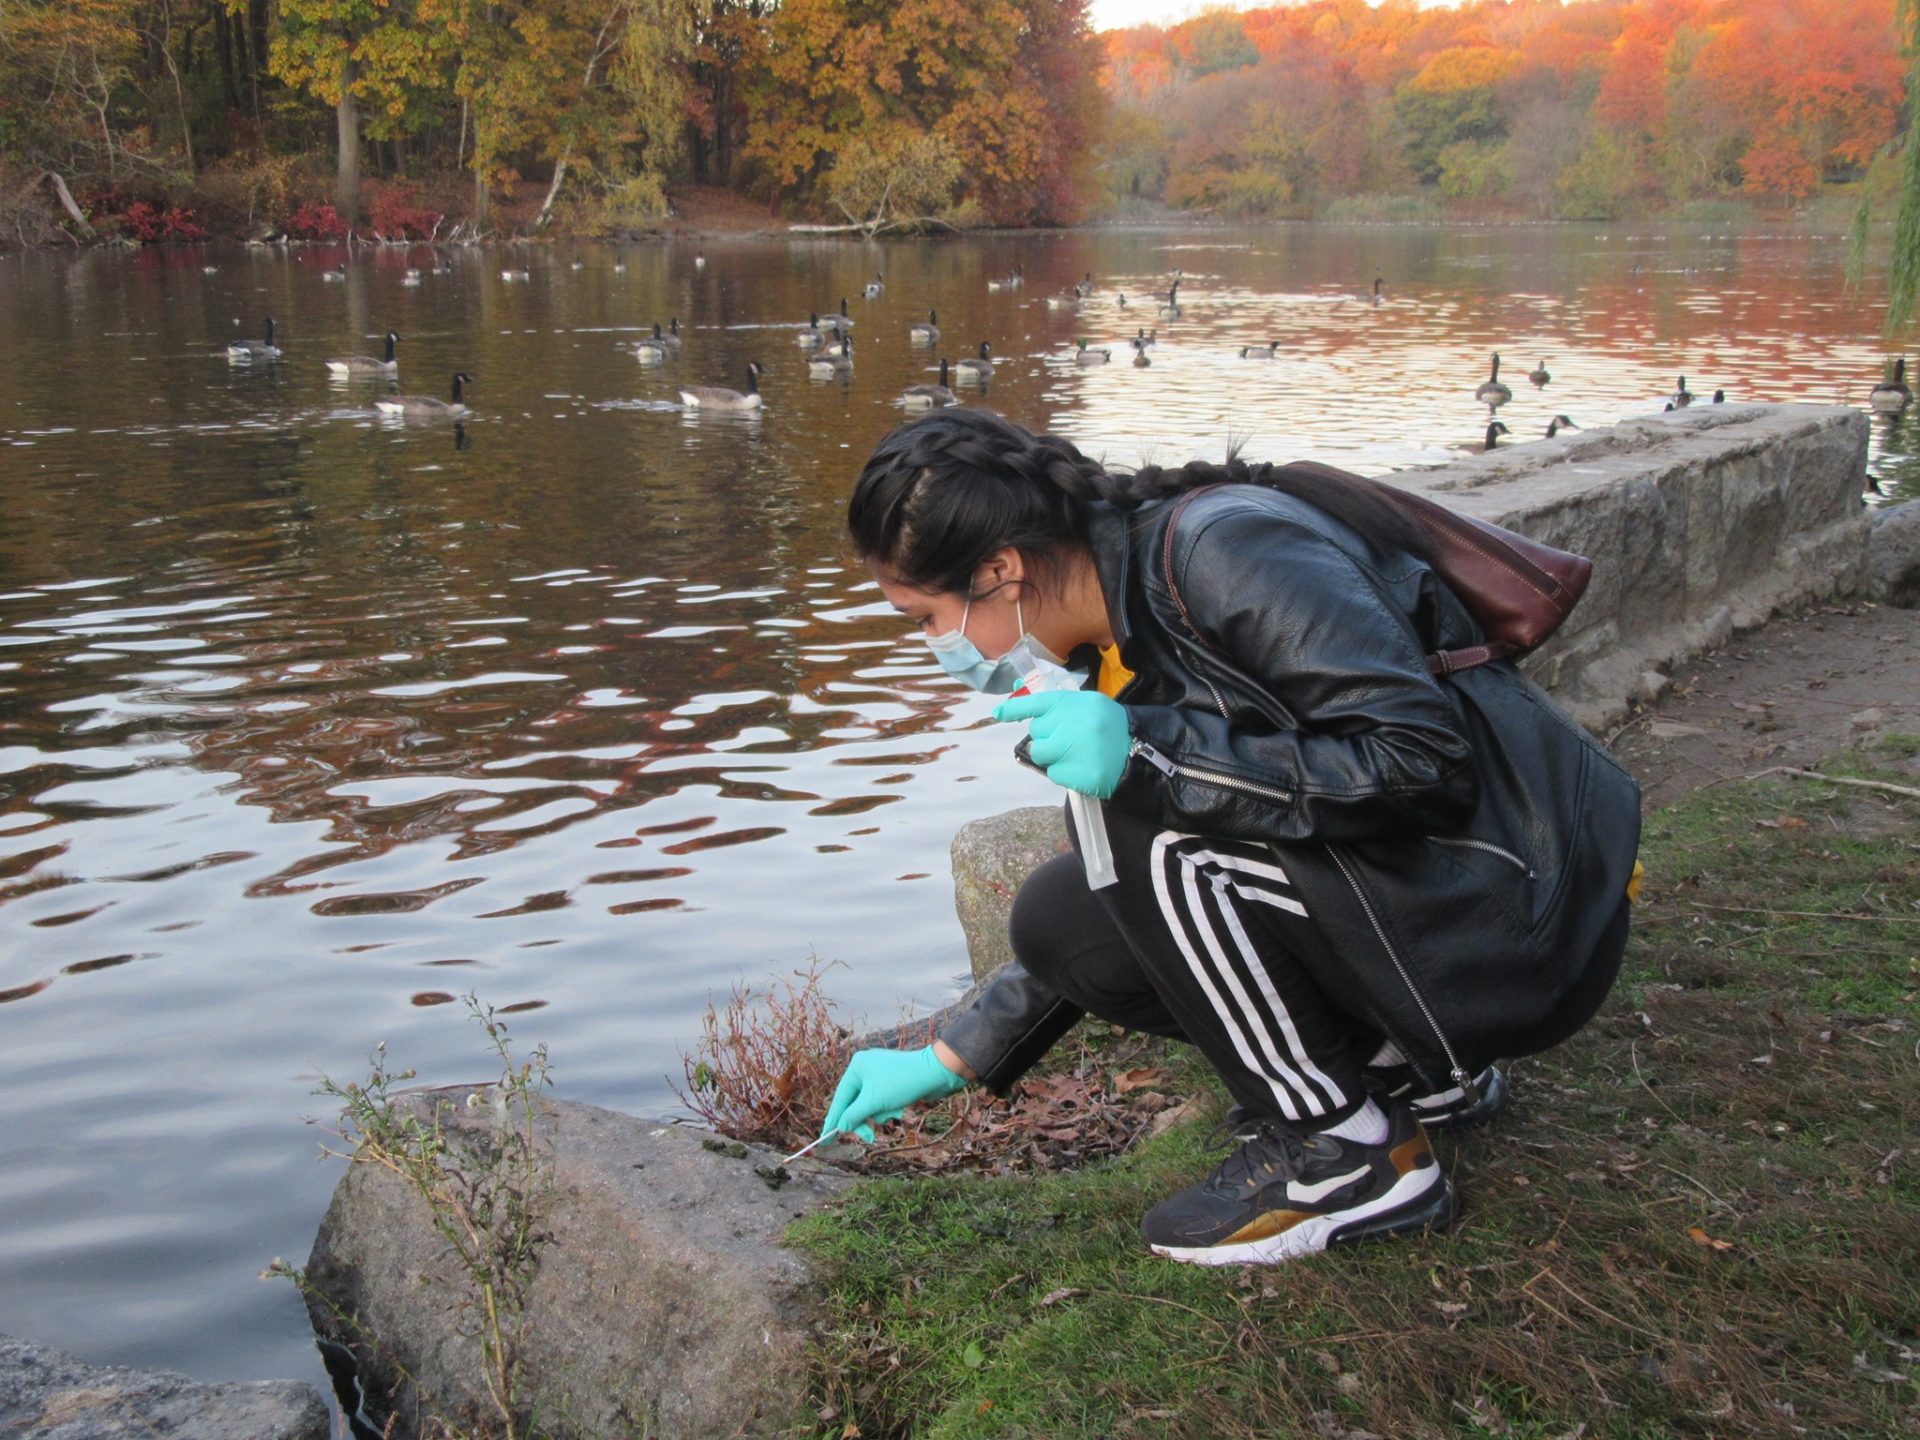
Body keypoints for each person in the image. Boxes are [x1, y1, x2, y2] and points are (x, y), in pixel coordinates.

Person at [821, 410, 1640, 1267]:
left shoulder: (1224, 551)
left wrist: (1152, 754)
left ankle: (1343, 1154)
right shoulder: (1116, 629)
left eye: (924, 619)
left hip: (1518, 923)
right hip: (1429, 902)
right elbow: (1130, 900)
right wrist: (954, 1055)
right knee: (1059, 918)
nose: (935, 647)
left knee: (1137, 814)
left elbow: (1423, 762)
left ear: (999, 571)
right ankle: (1405, 1071)